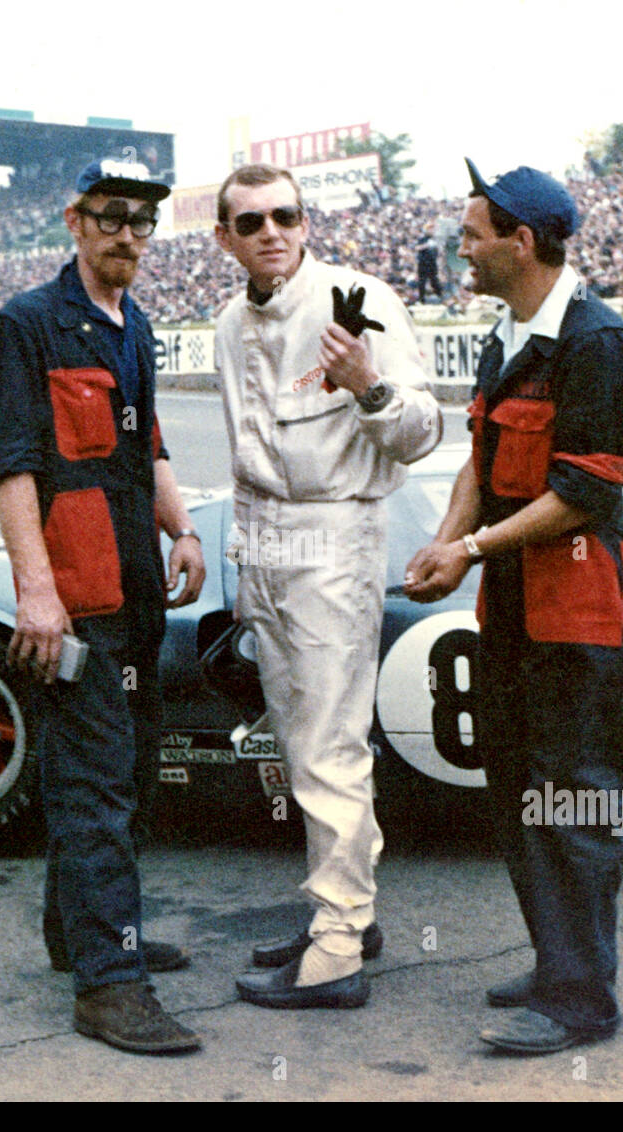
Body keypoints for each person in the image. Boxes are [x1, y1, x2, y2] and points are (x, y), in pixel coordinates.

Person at [404, 159, 623, 1055]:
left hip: (578, 605)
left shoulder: (599, 344)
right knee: (520, 791)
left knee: (575, 796)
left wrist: (469, 550)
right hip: (511, 603)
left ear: (520, 241)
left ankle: (583, 997)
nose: (460, 250)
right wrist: (446, 540)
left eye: (472, 236)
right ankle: (558, 961)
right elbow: (480, 461)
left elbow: (585, 492)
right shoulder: (505, 338)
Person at [0, 159, 206, 1055]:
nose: (128, 235)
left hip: (135, 586)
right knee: (96, 784)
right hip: (75, 594)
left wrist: (183, 528)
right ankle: (109, 984)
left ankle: (79, 932)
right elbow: (10, 463)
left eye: (143, 221)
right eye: (112, 217)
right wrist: (36, 589)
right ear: (74, 220)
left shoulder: (133, 323)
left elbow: (149, 445)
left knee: (127, 771)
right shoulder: (26, 324)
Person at [212, 162, 441, 1010]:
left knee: (328, 749)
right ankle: (347, 912)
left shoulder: (360, 298)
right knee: (301, 742)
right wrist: (245, 567)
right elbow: (243, 457)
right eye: (250, 222)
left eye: (286, 215)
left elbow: (422, 432)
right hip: (266, 541)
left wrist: (367, 385)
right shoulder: (228, 322)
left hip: (337, 533)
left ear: (306, 223)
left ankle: (338, 946)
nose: (271, 231)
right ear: (225, 238)